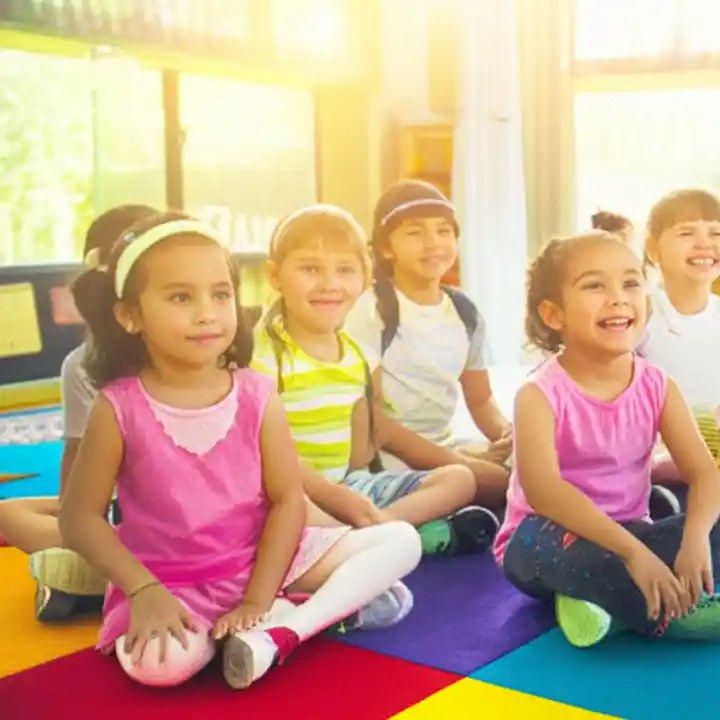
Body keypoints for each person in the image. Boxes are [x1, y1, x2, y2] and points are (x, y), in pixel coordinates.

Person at [59, 213, 421, 689]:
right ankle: (316, 613)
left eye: (221, 294)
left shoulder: (256, 393)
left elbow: (288, 500)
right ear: (130, 316)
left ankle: (280, 632)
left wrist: (256, 600)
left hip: (263, 564)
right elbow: (79, 517)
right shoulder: (118, 407)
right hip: (172, 581)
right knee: (158, 667)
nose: (207, 312)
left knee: (400, 541)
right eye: (180, 297)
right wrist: (143, 591)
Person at [496, 232, 720, 648]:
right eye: (594, 285)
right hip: (548, 541)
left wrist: (694, 542)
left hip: (633, 532)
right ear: (554, 314)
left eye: (631, 283)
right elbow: (544, 492)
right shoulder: (538, 394)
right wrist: (634, 556)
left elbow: (704, 474)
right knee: (533, 540)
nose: (618, 298)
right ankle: (671, 613)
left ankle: (604, 607)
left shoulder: (657, 385)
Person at [251, 204, 498, 555]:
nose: (330, 284)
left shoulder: (356, 356)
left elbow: (358, 458)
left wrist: (357, 496)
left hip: (349, 486)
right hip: (295, 494)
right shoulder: (264, 359)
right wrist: (333, 495)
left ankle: (376, 529)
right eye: (310, 269)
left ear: (364, 277)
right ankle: (380, 537)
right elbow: (264, 457)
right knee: (294, 513)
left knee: (458, 478)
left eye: (345, 270)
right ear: (275, 276)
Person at [0, 203, 157, 621]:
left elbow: (76, 472)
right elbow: (78, 477)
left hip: (162, 528)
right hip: (131, 520)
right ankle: (98, 574)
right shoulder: (88, 364)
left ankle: (87, 578)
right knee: (11, 510)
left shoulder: (87, 363)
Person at [344, 180, 510, 503]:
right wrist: (462, 464)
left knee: (538, 467)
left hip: (443, 451)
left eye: (444, 231)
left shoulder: (465, 312)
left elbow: (481, 402)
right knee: (505, 483)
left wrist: (508, 437)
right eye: (415, 232)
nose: (433, 243)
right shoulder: (371, 310)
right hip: (388, 462)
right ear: (386, 248)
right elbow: (379, 425)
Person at [637, 190, 720, 502]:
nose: (704, 243)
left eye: (716, 233)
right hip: (647, 456)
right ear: (653, 248)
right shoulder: (640, 314)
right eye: (686, 233)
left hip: (711, 457)